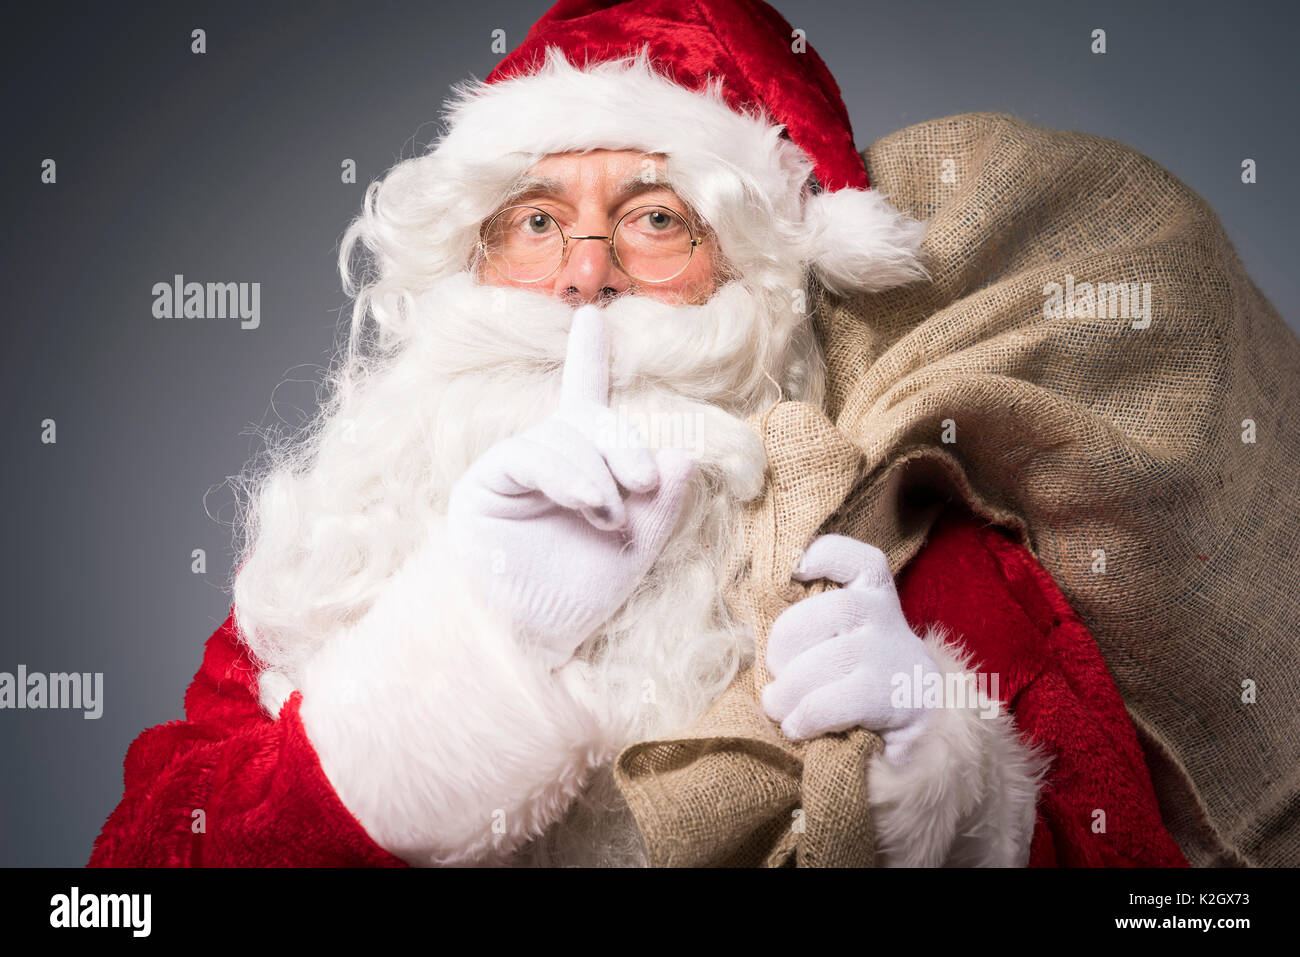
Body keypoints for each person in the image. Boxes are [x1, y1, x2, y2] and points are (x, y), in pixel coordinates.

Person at [89, 0, 1188, 868]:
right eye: (532, 221)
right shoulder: (341, 556)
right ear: (466, 262)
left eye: (655, 219)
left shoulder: (911, 568)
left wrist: (941, 798)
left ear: (755, 275)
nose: (582, 272)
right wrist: (459, 654)